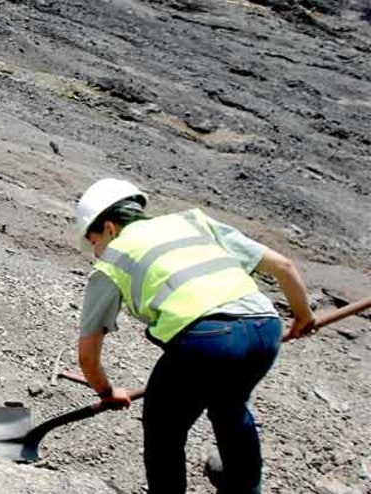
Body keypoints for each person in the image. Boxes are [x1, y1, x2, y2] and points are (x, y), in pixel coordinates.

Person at [73, 178, 316, 494]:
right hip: (264, 328)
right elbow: (283, 265)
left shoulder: (112, 261)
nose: (95, 252)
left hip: (207, 339)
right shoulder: (191, 221)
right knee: (229, 407)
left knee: (163, 428)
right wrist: (303, 315)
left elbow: (87, 355)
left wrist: (106, 391)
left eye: (93, 242)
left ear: (109, 228)